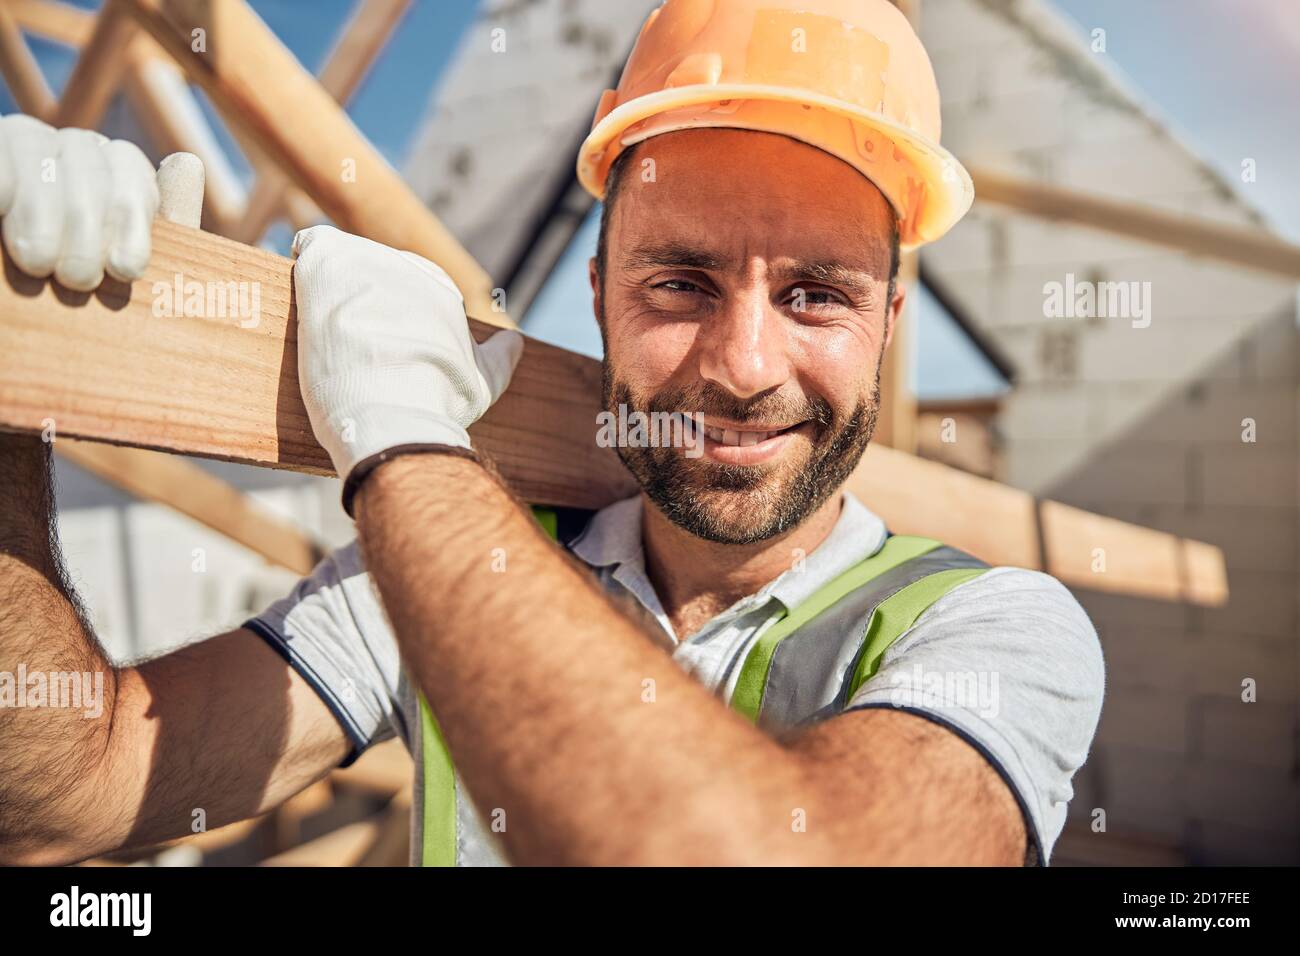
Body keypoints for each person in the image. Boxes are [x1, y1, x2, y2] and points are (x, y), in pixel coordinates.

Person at [0, 0, 1103, 867]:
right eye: (679, 281)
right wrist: (16, 379)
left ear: (887, 328)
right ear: (597, 292)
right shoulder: (450, 557)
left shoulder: (994, 633)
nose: (744, 365)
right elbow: (64, 792)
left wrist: (403, 445)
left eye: (817, 294)